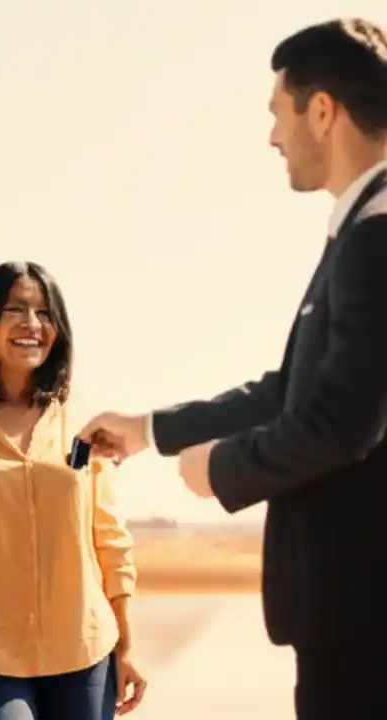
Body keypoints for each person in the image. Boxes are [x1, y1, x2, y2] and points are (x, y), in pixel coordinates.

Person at [79, 18, 387, 720]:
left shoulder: (376, 235)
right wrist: (153, 429)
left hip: (362, 615)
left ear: (322, 110)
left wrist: (220, 467)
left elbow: (340, 422)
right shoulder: (362, 228)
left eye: (278, 113)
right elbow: (291, 391)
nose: (273, 137)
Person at [0, 261, 145, 719]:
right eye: (16, 310)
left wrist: (127, 645)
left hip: (83, 647)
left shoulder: (82, 417)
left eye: (45, 314)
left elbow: (110, 537)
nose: (33, 325)